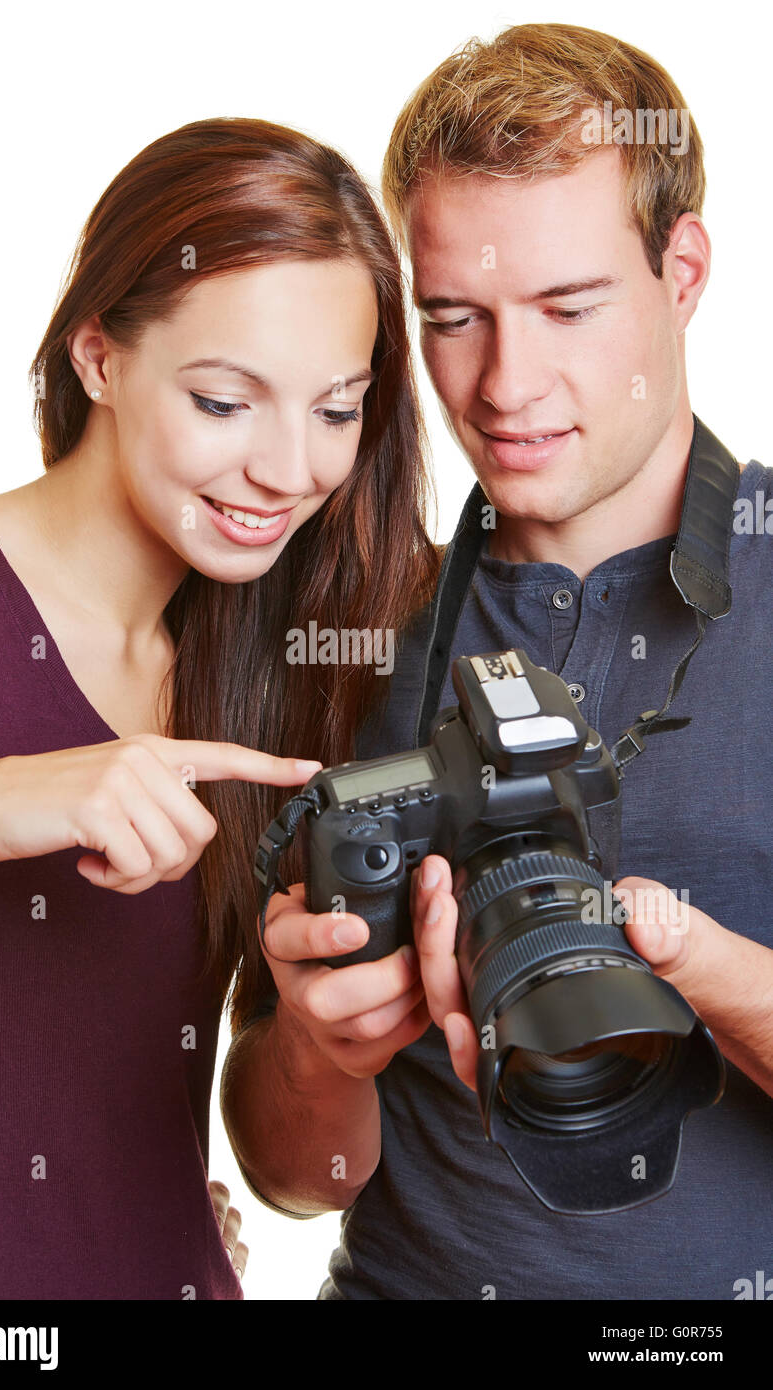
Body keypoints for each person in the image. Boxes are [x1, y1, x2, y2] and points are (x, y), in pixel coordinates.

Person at [221, 24, 773, 1300]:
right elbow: (291, 1175)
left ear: (680, 270)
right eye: (451, 318)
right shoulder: (346, 624)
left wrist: (669, 955)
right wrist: (316, 1050)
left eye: (568, 307)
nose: (503, 385)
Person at [0, 116, 438, 1299]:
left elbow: (295, 1175)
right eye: (223, 401)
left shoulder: (279, 671)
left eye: (336, 409)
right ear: (98, 354)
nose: (289, 468)